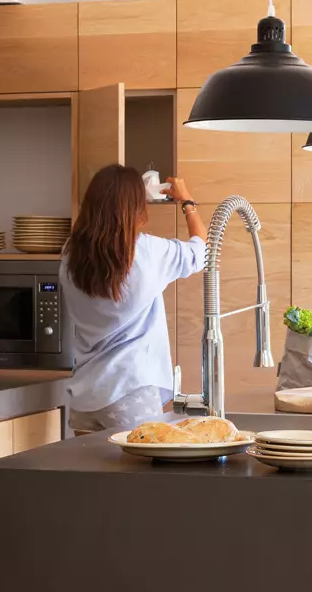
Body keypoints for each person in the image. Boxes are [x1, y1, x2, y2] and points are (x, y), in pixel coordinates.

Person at [60, 164, 206, 434]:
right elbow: (201, 251)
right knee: (140, 476)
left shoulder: (71, 252)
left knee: (90, 476)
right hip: (131, 393)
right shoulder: (148, 252)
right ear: (135, 208)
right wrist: (187, 201)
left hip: (84, 398)